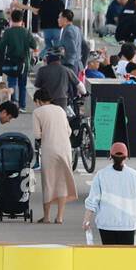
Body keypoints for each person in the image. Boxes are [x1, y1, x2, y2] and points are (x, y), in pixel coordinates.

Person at [83, 142, 136, 246]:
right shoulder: (135, 176)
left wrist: (86, 220)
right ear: (126, 157)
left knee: (109, 257)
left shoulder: (101, 175)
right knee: (125, 258)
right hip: (128, 224)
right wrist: (135, 219)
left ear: (110, 156)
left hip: (106, 223)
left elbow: (92, 200)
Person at [32, 89, 76, 224]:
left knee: (48, 182)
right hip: (65, 148)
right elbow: (69, 131)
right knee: (61, 181)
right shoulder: (60, 110)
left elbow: (37, 135)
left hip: (49, 149)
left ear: (38, 101)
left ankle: (46, 217)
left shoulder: (37, 112)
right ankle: (60, 217)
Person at [0, 8, 34, 111]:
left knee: (12, 83)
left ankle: (13, 103)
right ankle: (22, 106)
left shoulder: (8, 32)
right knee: (22, 85)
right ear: (22, 20)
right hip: (24, 63)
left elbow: (1, 47)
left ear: (11, 19)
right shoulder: (26, 32)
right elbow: (34, 45)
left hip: (11, 62)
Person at [58, 7, 84, 72]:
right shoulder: (77, 29)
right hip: (77, 64)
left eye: (59, 17)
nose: (58, 19)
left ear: (65, 19)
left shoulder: (68, 31)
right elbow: (86, 47)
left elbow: (72, 51)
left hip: (70, 66)